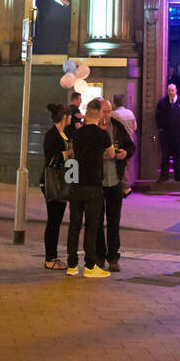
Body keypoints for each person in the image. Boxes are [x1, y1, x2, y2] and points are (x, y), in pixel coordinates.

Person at [65, 97, 114, 278]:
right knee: (92, 227)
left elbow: (72, 152)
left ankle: (71, 266)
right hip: (93, 185)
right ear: (100, 113)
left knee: (74, 225)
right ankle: (90, 266)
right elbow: (111, 153)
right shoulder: (102, 134)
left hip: (76, 183)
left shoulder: (78, 133)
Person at [96, 98, 135, 271]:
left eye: (109, 111)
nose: (107, 114)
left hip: (115, 181)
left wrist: (125, 153)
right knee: (96, 221)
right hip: (96, 181)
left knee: (114, 220)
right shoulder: (91, 128)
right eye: (104, 111)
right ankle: (98, 256)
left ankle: (113, 257)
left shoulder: (116, 126)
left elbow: (130, 146)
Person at [41, 102, 70, 269]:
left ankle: (52, 256)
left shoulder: (62, 133)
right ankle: (50, 258)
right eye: (68, 116)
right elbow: (53, 158)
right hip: (52, 181)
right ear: (64, 117)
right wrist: (70, 153)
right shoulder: (52, 135)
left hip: (61, 180)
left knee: (57, 220)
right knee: (53, 220)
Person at [155, 83, 180, 182]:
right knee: (165, 156)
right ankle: (164, 176)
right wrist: (160, 127)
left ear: (176, 90)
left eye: (172, 90)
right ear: (167, 91)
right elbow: (157, 116)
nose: (171, 92)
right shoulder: (162, 102)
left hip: (178, 134)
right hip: (165, 134)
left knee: (177, 156)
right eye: (169, 91)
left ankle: (178, 176)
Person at [111, 93, 137, 195]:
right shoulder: (130, 113)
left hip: (119, 142)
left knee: (122, 166)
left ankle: (126, 187)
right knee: (126, 165)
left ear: (114, 103)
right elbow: (135, 127)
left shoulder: (114, 114)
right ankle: (125, 187)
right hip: (130, 141)